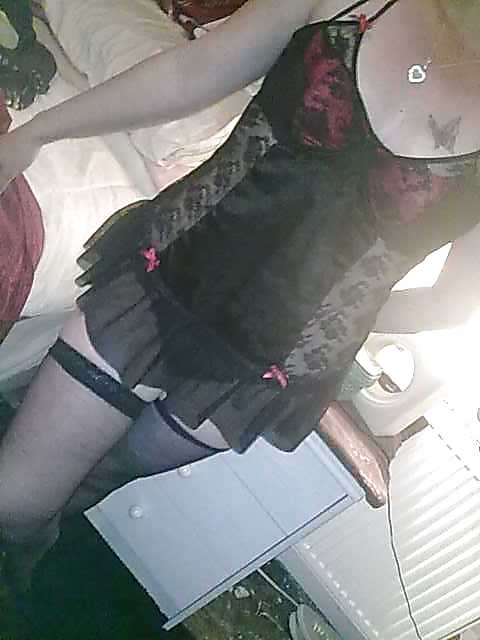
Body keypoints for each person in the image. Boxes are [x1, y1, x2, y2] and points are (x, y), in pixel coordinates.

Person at [2, 0, 480, 591]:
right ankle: (26, 543)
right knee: (15, 503)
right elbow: (190, 72)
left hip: (268, 368)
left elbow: (453, 304)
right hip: (165, 281)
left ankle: (25, 564)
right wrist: (38, 133)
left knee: (95, 479)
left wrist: (339, 320)